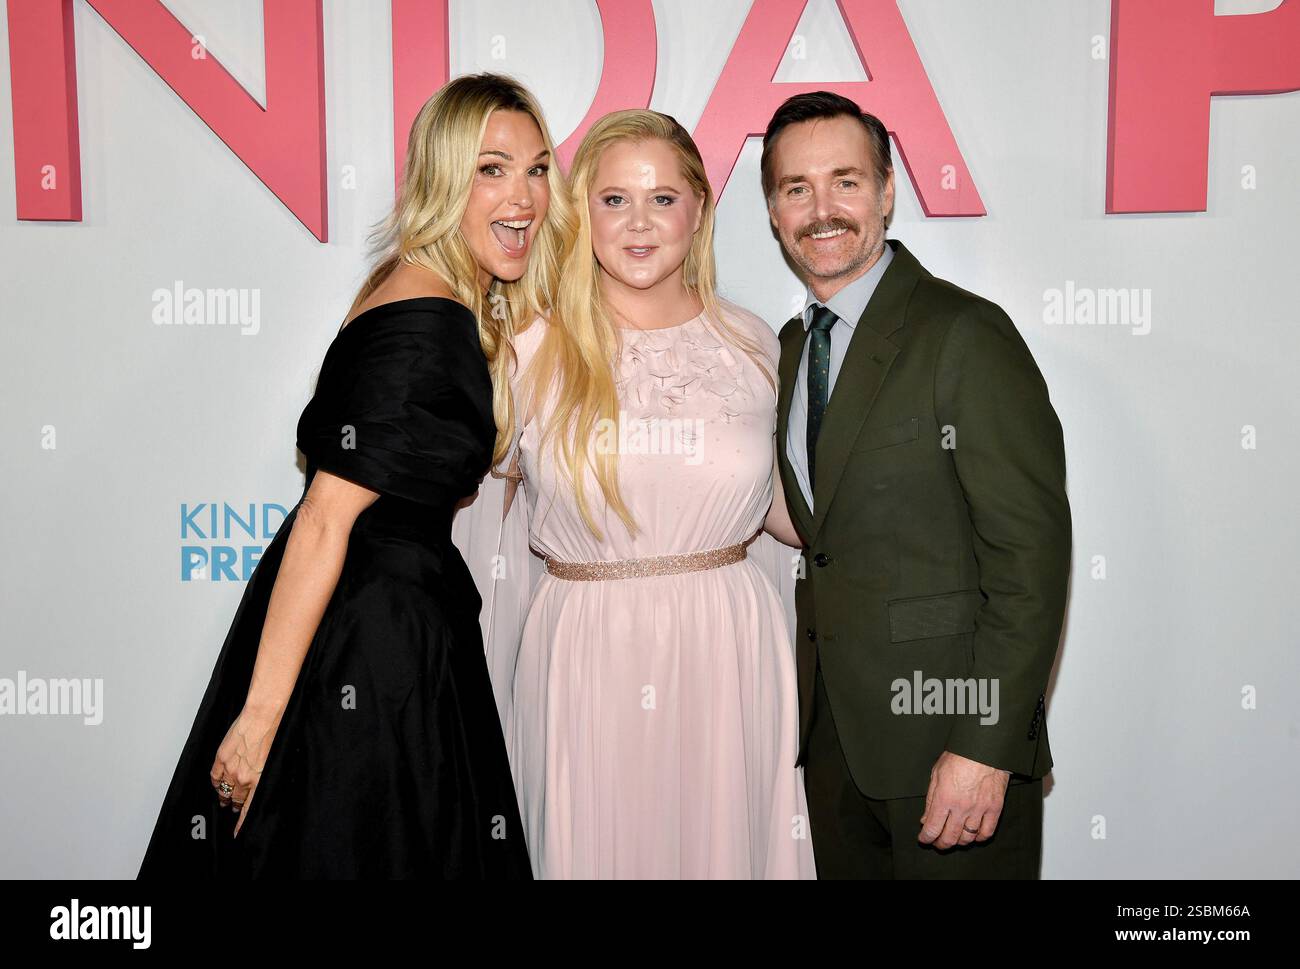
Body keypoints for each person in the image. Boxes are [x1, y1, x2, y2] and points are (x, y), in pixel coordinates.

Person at [138, 73, 570, 878]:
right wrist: (260, 720)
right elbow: (325, 517)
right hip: (375, 641)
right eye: (491, 168)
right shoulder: (428, 319)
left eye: (538, 168)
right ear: (443, 180)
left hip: (372, 622)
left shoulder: (414, 287)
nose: (524, 196)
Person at [467, 109, 815, 879]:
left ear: (699, 210)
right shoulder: (528, 354)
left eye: (662, 198)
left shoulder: (758, 343)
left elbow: (784, 510)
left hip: (727, 649)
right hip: (587, 651)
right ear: (580, 211)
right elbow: (480, 541)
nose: (639, 223)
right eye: (614, 199)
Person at [763, 91, 1071, 879]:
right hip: (836, 753)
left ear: (889, 189)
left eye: (846, 181)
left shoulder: (964, 333)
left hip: (950, 747)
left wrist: (983, 745)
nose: (821, 209)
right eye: (796, 187)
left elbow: (1030, 562)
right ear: (773, 209)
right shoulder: (796, 346)